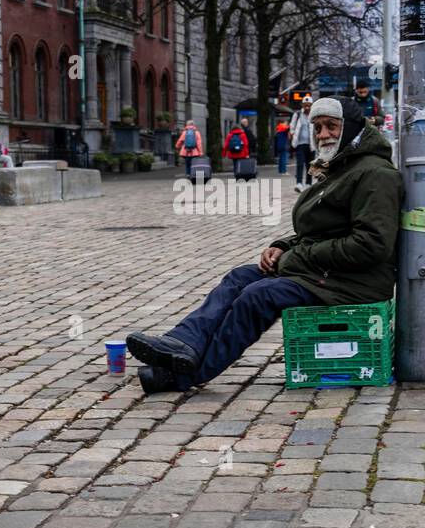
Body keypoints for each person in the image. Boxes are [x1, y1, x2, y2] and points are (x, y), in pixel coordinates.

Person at [127, 97, 404, 394]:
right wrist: (283, 245)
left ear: (350, 129)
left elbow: (371, 244)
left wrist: (297, 257)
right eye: (318, 127)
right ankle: (185, 343)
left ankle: (183, 375)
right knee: (239, 278)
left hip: (353, 281)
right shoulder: (341, 165)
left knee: (258, 296)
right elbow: (322, 228)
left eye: (331, 127)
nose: (322, 134)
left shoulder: (374, 174)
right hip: (324, 272)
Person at [290, 96, 314, 190]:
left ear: (311, 106)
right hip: (300, 144)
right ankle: (299, 183)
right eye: (305, 105)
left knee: (310, 165)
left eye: (309, 105)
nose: (307, 107)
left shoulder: (314, 115)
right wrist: (292, 134)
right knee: (300, 163)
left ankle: (308, 183)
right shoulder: (298, 114)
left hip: (311, 144)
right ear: (302, 105)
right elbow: (292, 126)